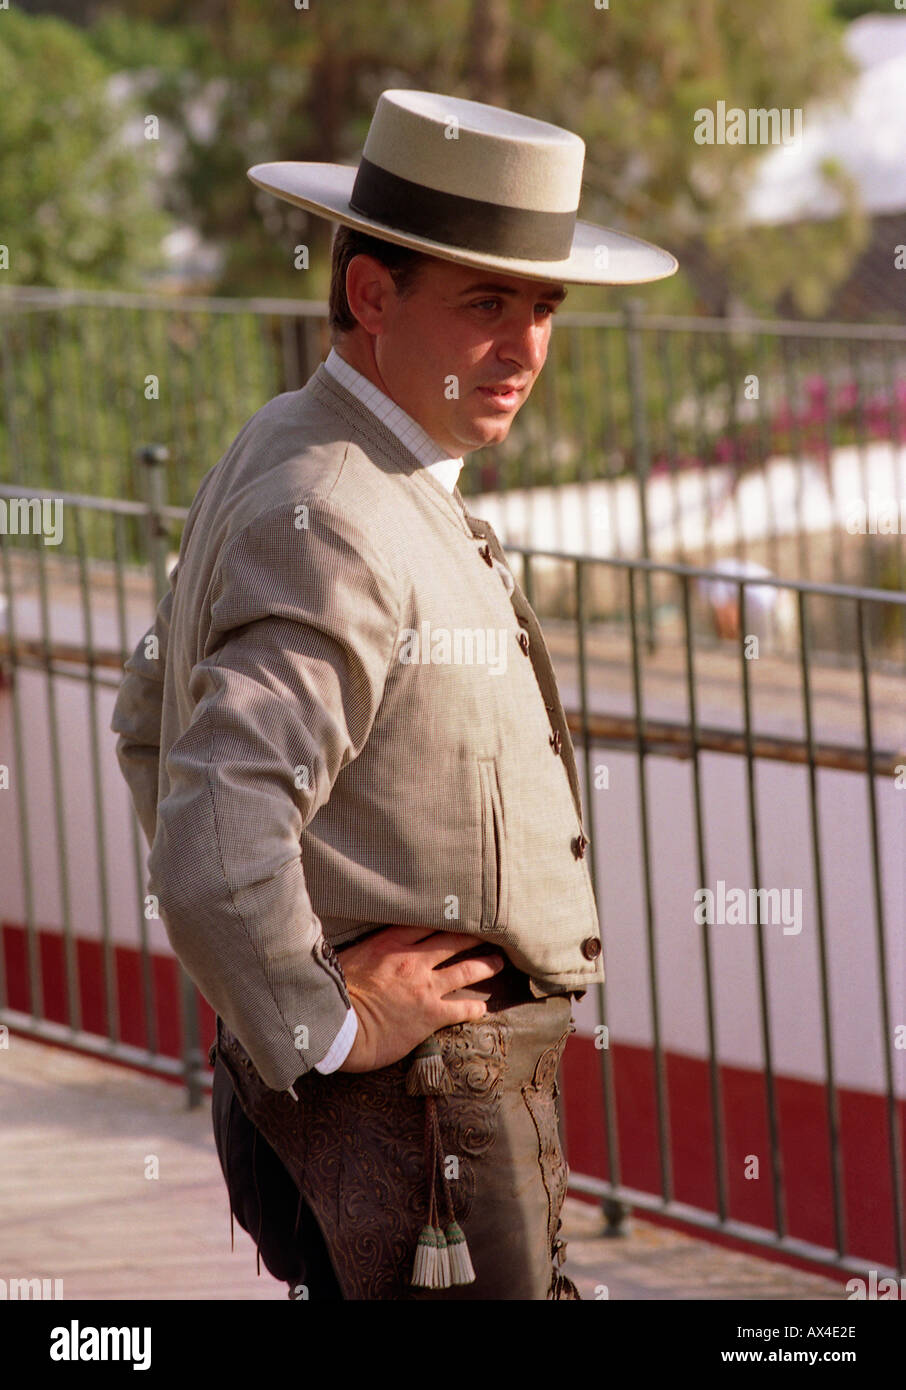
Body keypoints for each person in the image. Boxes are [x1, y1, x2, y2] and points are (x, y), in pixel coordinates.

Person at [110, 88, 676, 1301]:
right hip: (419, 1125)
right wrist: (325, 1019)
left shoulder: (298, 442)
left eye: (543, 307)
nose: (525, 347)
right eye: (485, 303)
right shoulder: (341, 510)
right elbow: (213, 835)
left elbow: (143, 719)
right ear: (373, 296)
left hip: (405, 1114)